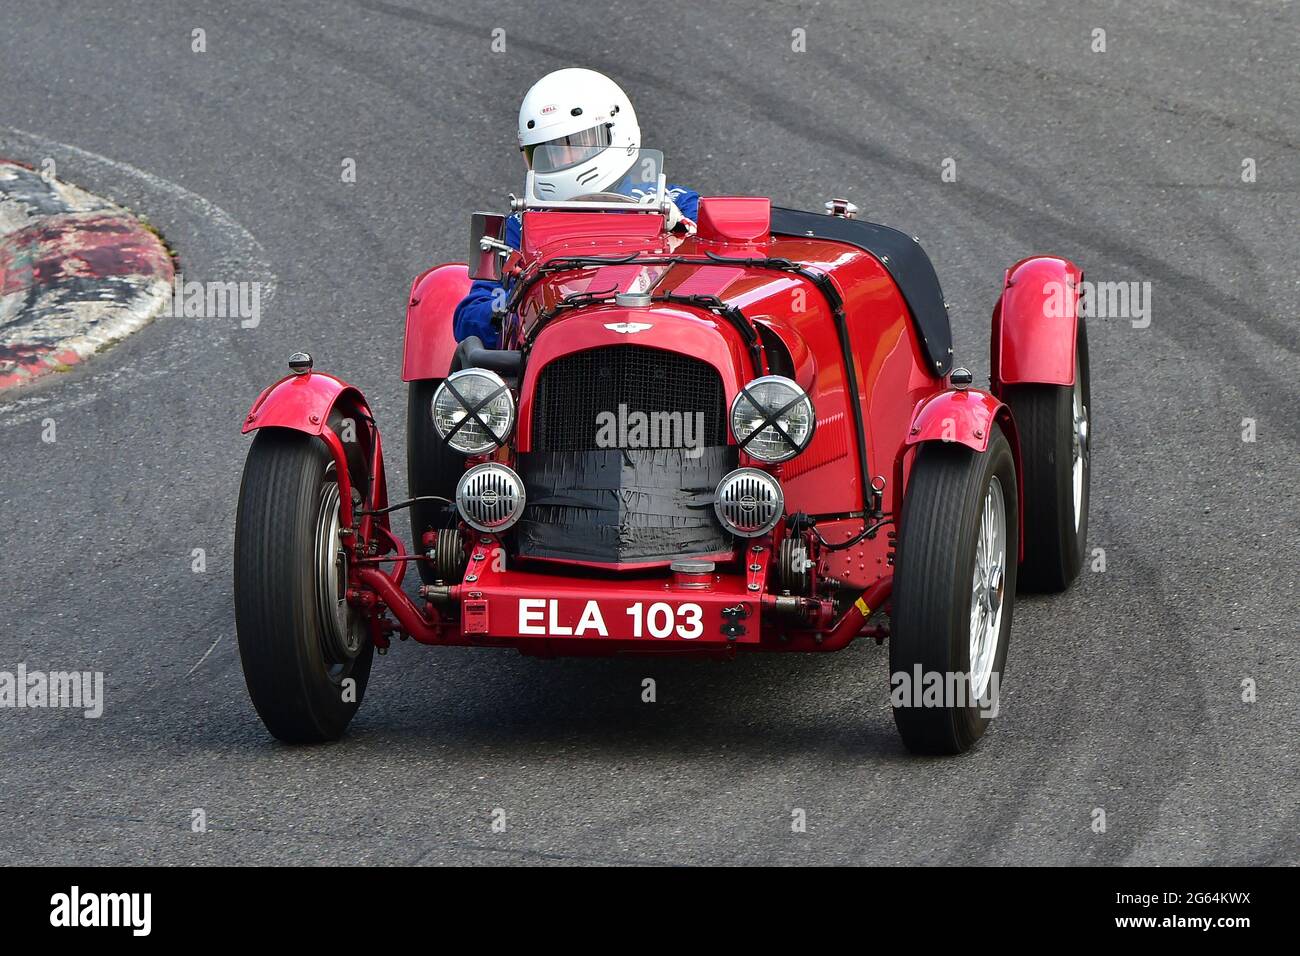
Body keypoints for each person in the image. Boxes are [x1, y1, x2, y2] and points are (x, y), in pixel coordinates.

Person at [453, 68, 700, 348]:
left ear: (615, 132)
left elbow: (735, 272)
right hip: (564, 346)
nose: (565, 159)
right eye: (549, 152)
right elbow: (469, 318)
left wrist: (684, 233)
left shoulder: (678, 205)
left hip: (668, 342)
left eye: (578, 145)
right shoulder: (523, 226)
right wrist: (513, 305)